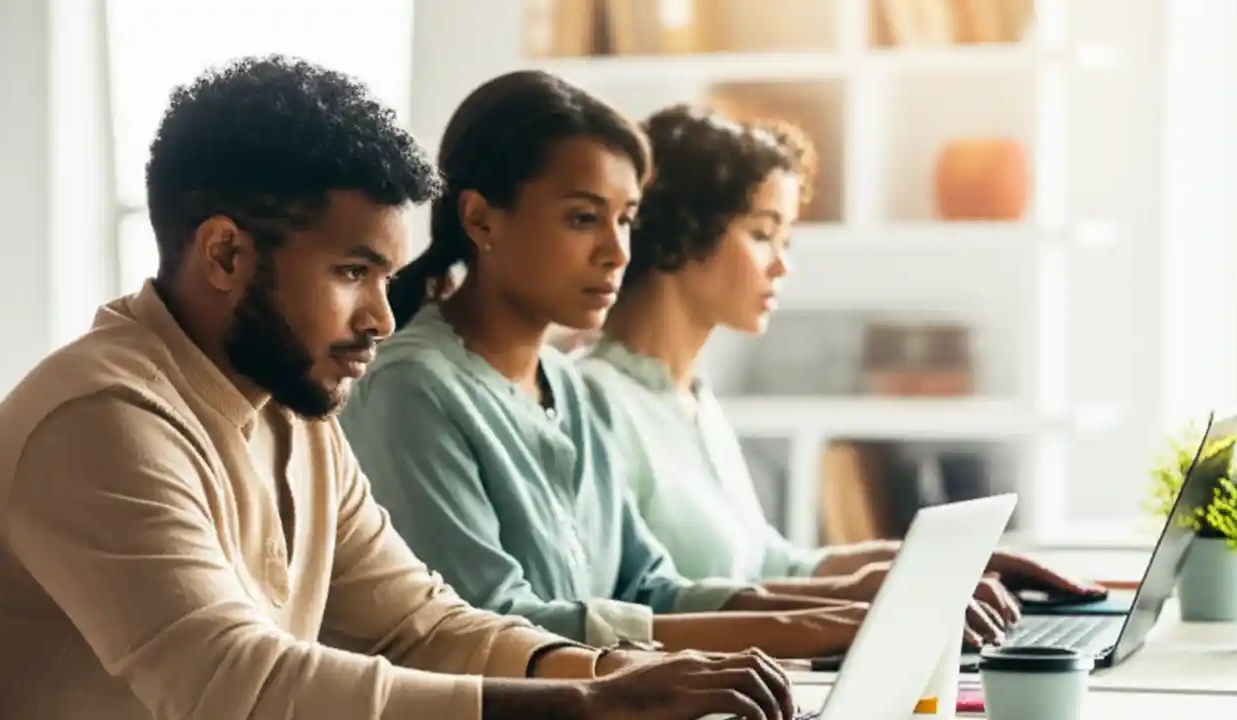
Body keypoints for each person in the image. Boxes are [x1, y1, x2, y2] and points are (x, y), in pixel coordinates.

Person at [0, 57, 798, 720]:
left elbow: (418, 624)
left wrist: (614, 671)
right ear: (225, 255)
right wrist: (583, 702)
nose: (380, 315)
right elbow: (240, 687)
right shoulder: (101, 422)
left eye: (385, 275)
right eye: (350, 273)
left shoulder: (291, 411)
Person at [339, 70, 869, 661]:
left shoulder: (567, 385)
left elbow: (649, 587)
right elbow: (491, 624)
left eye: (625, 219)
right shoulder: (412, 389)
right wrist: (796, 631)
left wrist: (843, 611)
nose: (616, 252)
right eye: (584, 218)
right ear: (481, 219)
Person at [578, 104, 1107, 646]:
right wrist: (861, 598)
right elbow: (635, 607)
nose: (782, 266)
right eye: (763, 235)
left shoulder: (691, 399)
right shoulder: (592, 403)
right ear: (684, 231)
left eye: (786, 242)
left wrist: (935, 563)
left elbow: (768, 563)